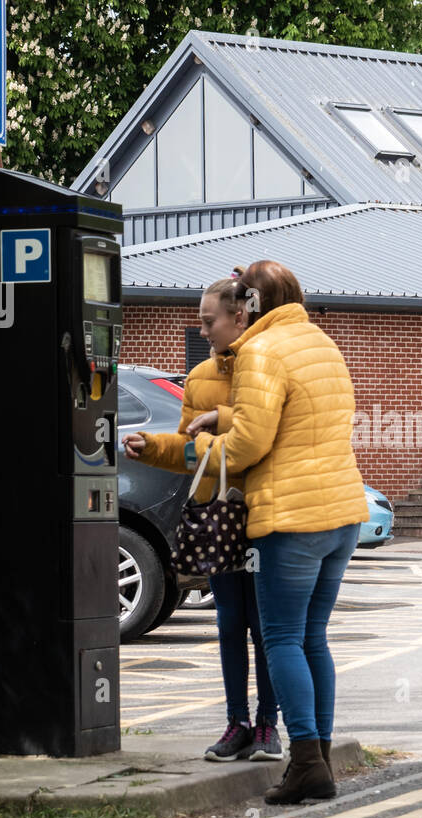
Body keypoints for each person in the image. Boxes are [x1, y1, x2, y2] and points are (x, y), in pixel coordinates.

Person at [188, 260, 369, 805]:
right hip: (342, 512)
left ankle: (307, 762)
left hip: (292, 519)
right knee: (313, 637)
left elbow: (251, 445)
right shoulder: (322, 344)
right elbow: (299, 417)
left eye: (244, 302)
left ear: (257, 307)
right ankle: (319, 761)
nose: (238, 311)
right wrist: (226, 417)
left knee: (282, 638)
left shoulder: (260, 352)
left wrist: (203, 448)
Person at [121, 273, 283, 762]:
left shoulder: (270, 365)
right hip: (222, 520)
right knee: (231, 622)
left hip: (269, 513)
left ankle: (267, 727)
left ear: (240, 316)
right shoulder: (198, 378)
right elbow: (192, 452)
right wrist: (153, 448)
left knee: (268, 628)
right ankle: (237, 723)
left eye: (209, 321)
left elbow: (271, 436)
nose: (203, 331)